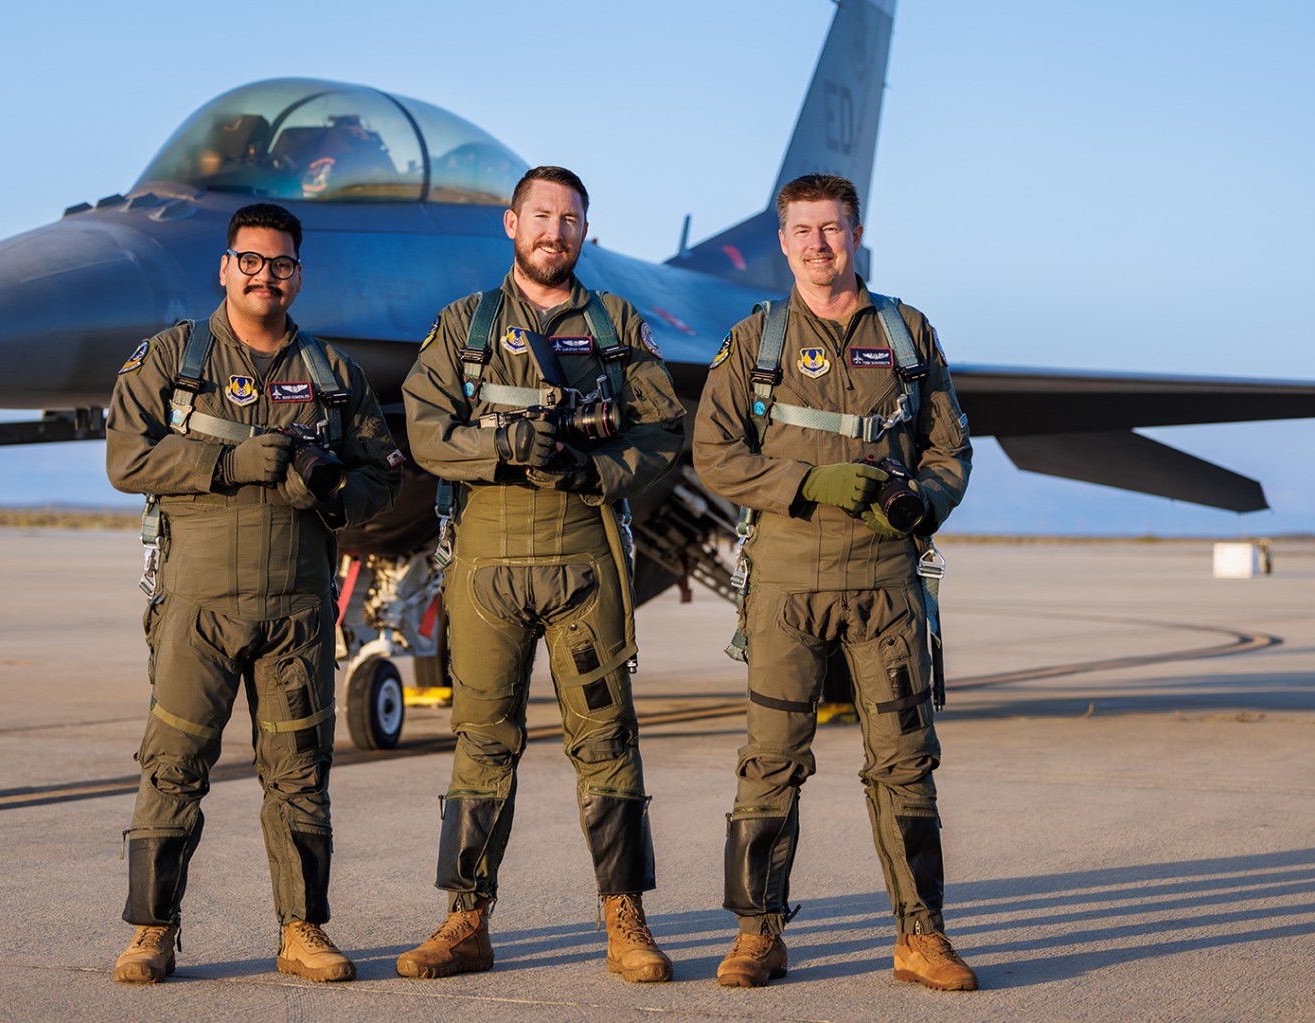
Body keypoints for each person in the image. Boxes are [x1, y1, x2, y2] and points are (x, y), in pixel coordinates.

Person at [397, 166, 686, 983]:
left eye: (570, 219)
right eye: (542, 216)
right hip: (487, 559)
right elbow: (425, 431)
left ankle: (625, 917)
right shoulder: (464, 326)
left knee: (606, 739)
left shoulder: (619, 324)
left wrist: (600, 471)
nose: (555, 231)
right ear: (511, 223)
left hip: (584, 550)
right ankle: (466, 919)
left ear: (584, 233)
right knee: (480, 742)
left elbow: (665, 428)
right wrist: (500, 447)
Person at [105, 202, 403, 985]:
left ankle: (302, 930)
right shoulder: (171, 359)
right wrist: (232, 465)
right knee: (172, 765)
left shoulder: (334, 376)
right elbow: (128, 459)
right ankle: (151, 931)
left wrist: (332, 497)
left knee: (301, 771)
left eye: (280, 265)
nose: (265, 276)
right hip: (197, 607)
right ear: (225, 266)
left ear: (297, 274)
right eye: (251, 261)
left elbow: (380, 475)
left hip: (297, 611)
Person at [693, 173, 977, 991]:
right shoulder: (758, 341)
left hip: (885, 581)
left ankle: (921, 936)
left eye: (833, 229)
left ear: (856, 233)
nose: (819, 245)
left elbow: (949, 449)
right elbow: (715, 451)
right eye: (804, 231)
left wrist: (923, 500)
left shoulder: (907, 332)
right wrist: (804, 486)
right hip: (786, 580)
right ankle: (757, 935)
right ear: (783, 242)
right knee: (771, 760)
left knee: (905, 761)